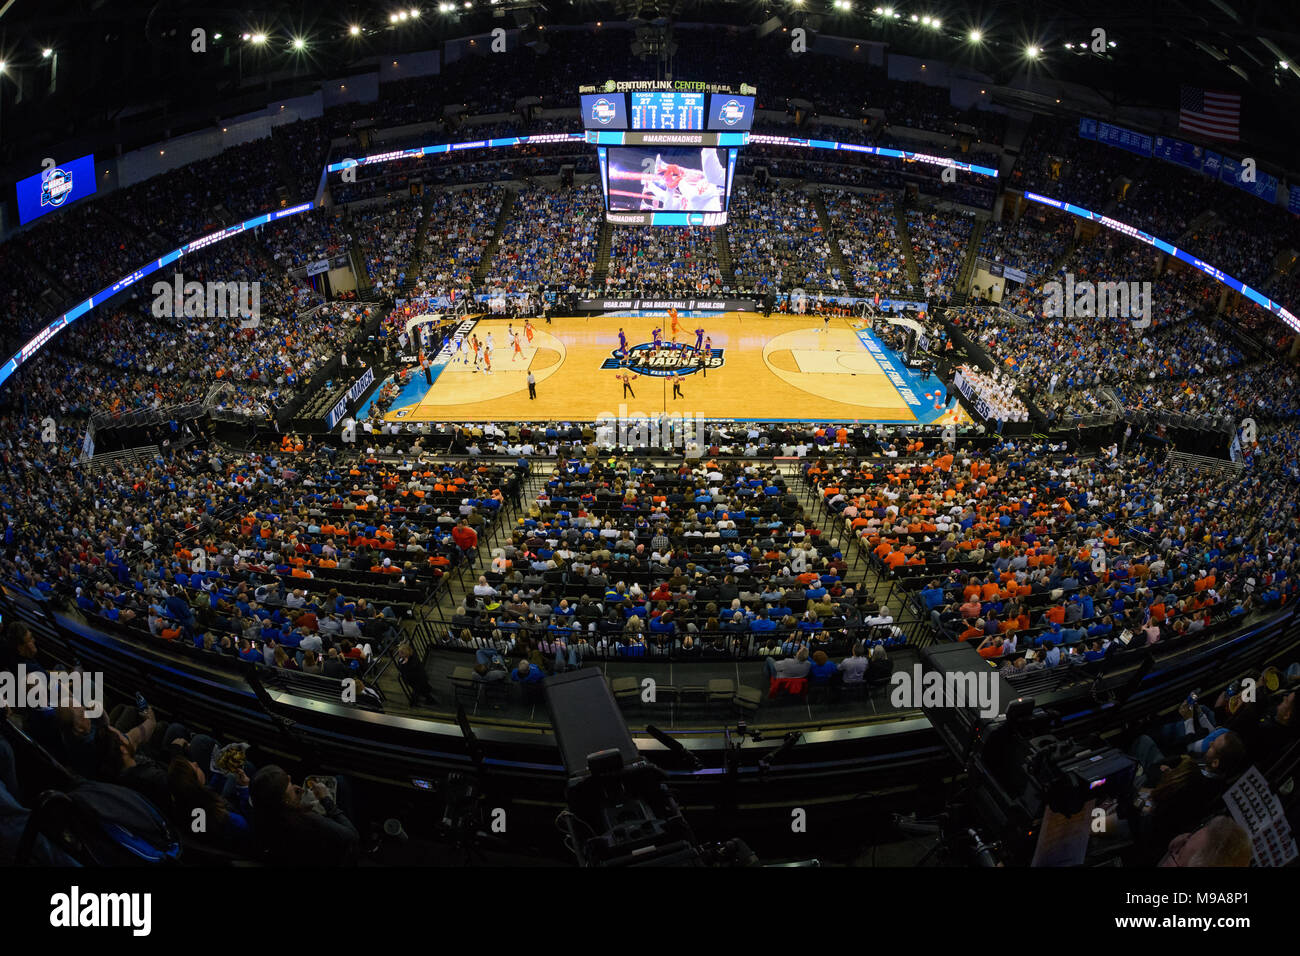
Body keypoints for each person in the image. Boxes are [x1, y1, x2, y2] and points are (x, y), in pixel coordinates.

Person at [249, 765, 359, 866]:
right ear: (283, 800)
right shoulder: (309, 820)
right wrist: (327, 801)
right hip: (334, 856)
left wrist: (293, 801)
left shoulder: (260, 815)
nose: (289, 777)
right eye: (287, 783)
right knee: (341, 781)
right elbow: (352, 837)